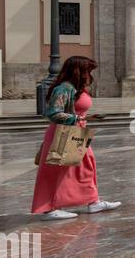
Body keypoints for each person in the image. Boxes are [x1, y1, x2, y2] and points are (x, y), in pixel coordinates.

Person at [32, 56, 121, 221]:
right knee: (56, 169)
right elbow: (52, 113)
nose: (90, 75)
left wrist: (85, 118)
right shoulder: (63, 89)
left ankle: (92, 201)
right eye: (88, 71)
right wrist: (77, 119)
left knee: (86, 165)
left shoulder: (76, 88)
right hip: (63, 132)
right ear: (78, 71)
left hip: (77, 132)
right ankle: (48, 209)